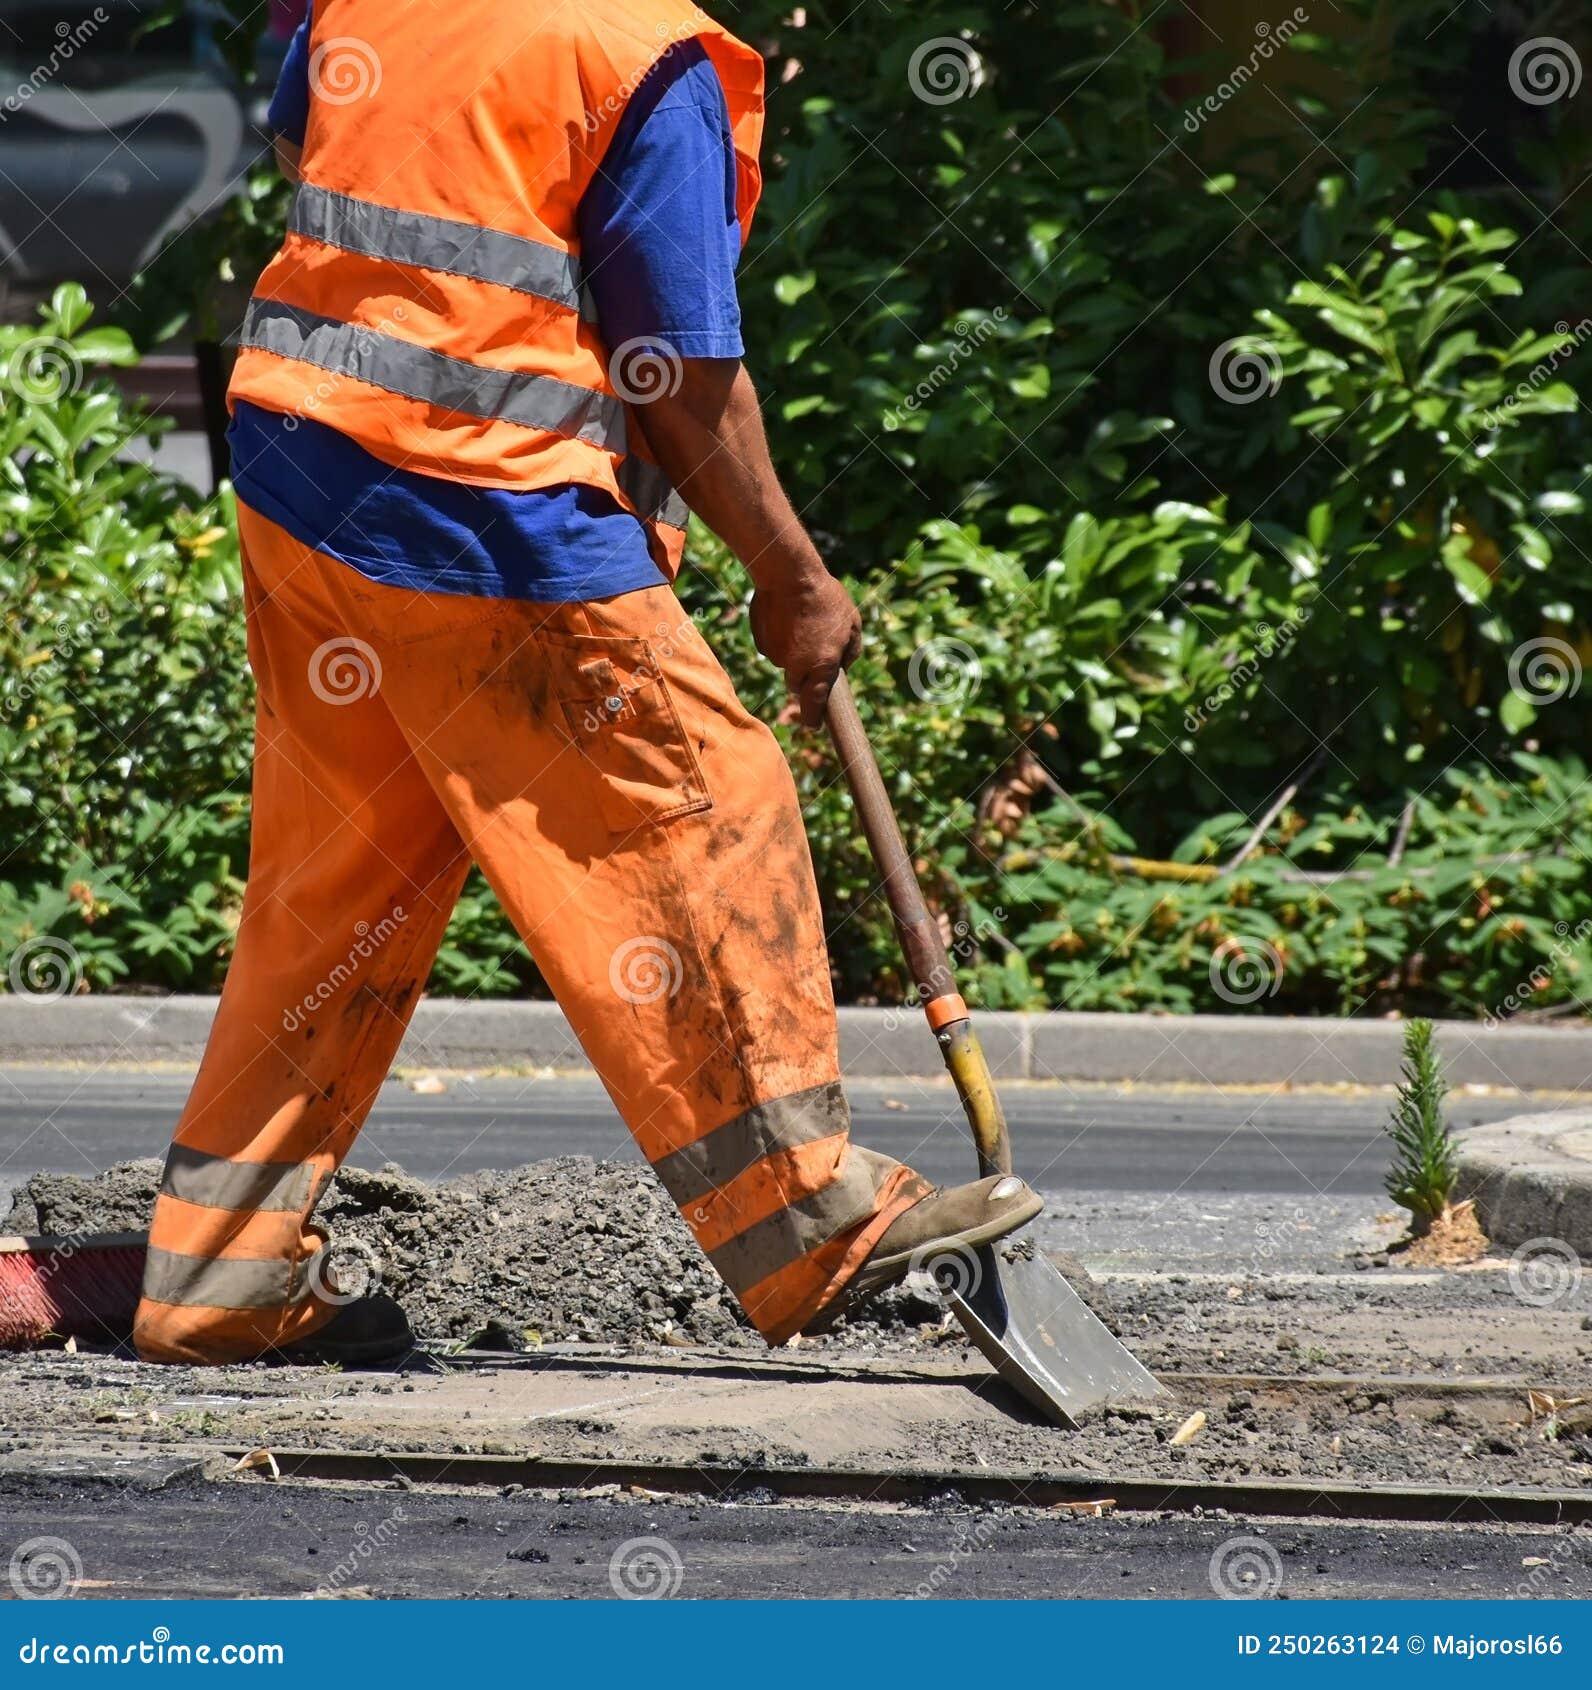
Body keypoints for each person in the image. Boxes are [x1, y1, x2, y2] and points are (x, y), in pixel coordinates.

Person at [133, 0, 1041, 1367]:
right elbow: (681, 372)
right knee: (704, 801)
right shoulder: (642, 55)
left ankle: (216, 1272)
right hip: (480, 505)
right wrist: (793, 580)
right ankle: (806, 1221)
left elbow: (315, 142)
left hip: (299, 475)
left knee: (335, 890)